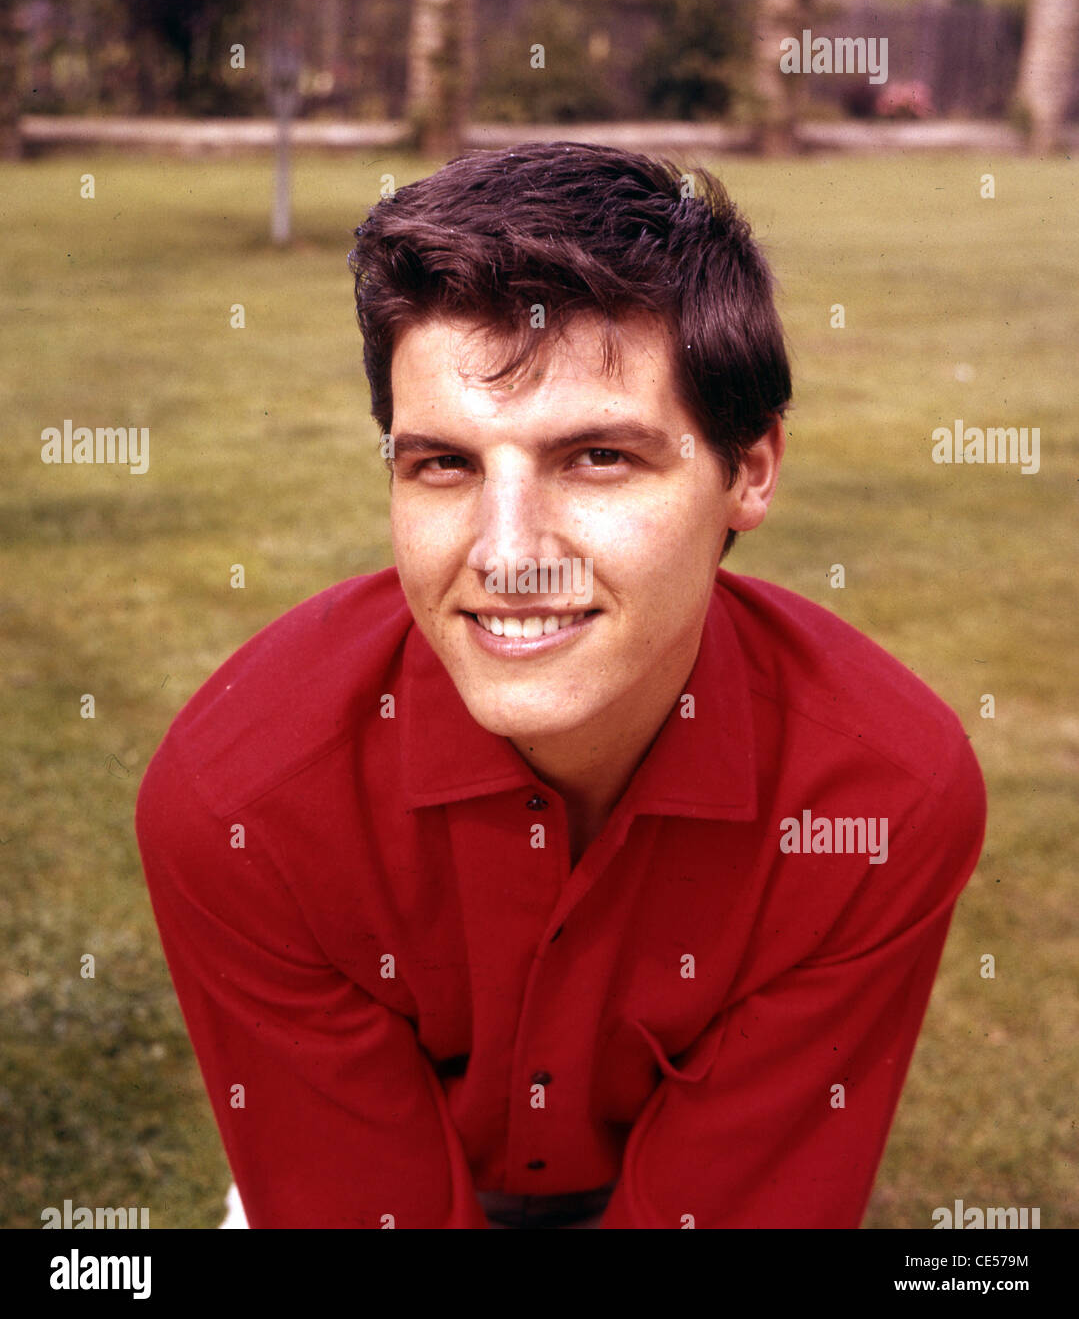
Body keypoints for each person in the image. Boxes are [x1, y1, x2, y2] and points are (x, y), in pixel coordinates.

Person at [135, 142, 986, 1229]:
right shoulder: (240, 801)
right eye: (442, 463)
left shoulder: (877, 797)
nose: (505, 555)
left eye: (595, 457)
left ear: (750, 468)